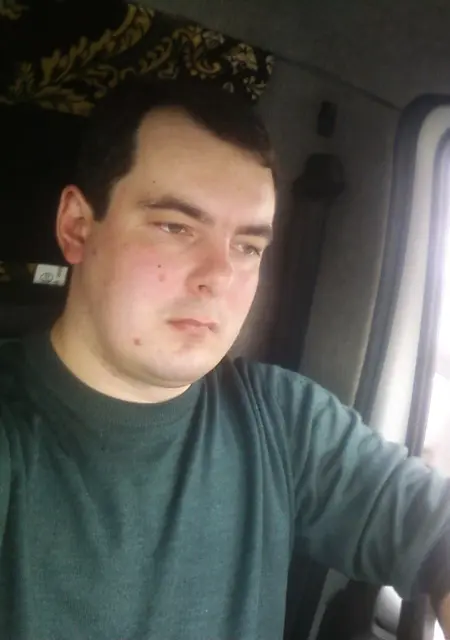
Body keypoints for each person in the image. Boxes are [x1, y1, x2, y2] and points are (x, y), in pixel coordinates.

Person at [1, 77, 450, 640]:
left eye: (247, 247)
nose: (219, 276)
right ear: (76, 227)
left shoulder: (283, 420)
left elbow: (437, 531)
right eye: (175, 226)